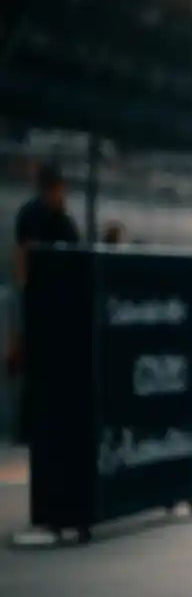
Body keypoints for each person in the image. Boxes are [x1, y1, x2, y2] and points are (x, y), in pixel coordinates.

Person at [9, 162, 80, 442]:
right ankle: (36, 426)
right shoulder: (48, 217)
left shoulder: (55, 217)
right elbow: (24, 257)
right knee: (41, 363)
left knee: (40, 364)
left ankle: (34, 426)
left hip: (45, 298)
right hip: (46, 299)